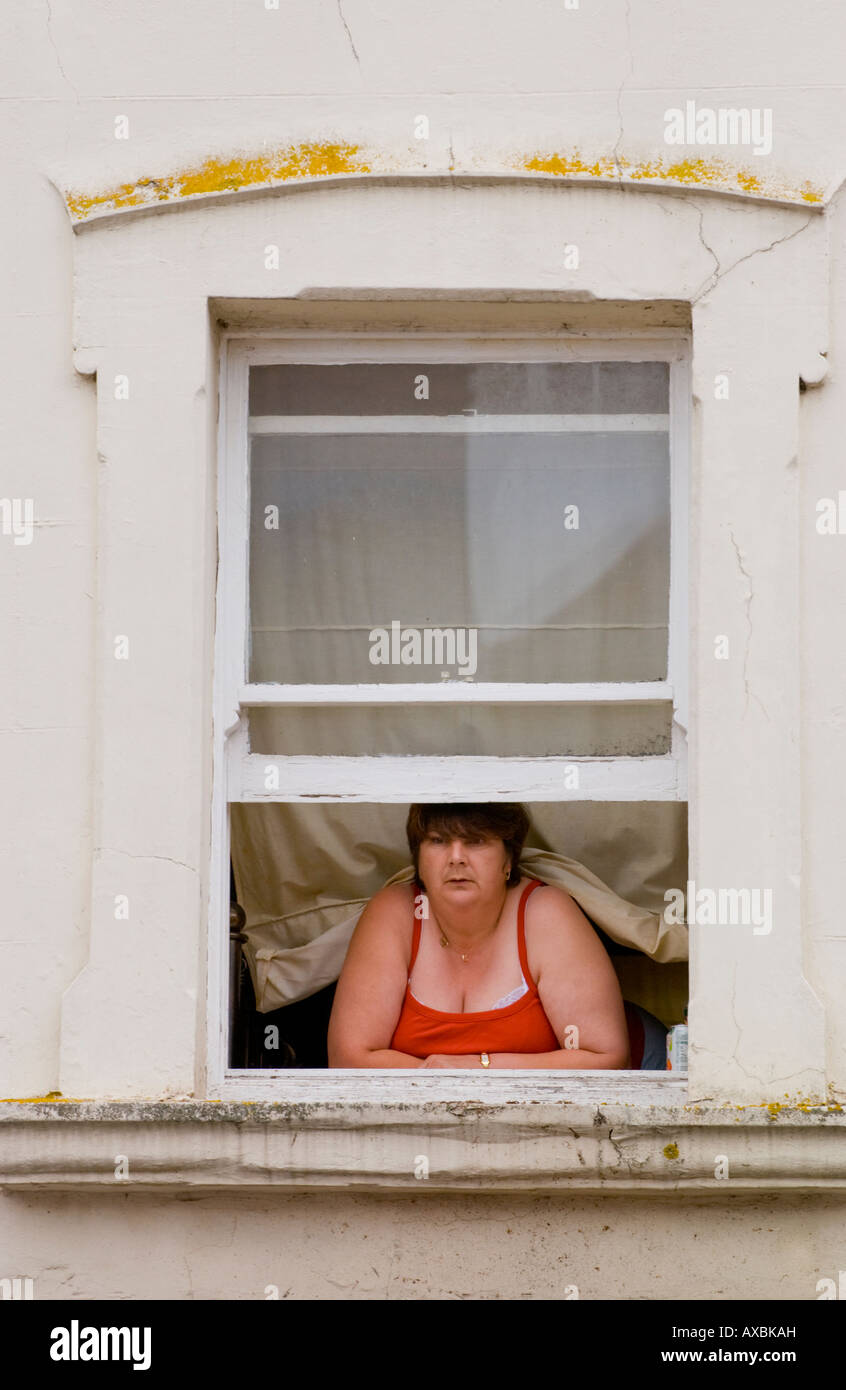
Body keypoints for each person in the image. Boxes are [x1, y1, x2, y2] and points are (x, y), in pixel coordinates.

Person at [327, 803, 631, 1069]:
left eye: (476, 841)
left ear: (508, 860)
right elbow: (348, 1058)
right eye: (438, 840)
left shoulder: (545, 911)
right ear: (418, 859)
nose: (456, 857)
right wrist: (446, 1083)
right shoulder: (395, 910)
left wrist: (475, 1067)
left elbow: (605, 1057)